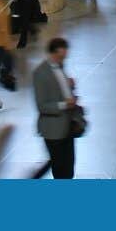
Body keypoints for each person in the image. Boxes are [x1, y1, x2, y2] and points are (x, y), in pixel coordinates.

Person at [31, 38, 78, 179]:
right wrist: (65, 104)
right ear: (53, 53)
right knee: (59, 168)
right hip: (52, 129)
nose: (63, 59)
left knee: (68, 166)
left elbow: (60, 90)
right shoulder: (40, 73)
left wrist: (69, 86)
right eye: (61, 56)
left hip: (67, 126)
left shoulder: (61, 66)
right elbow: (42, 106)